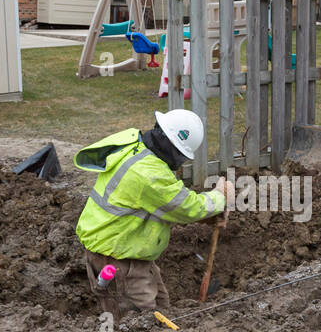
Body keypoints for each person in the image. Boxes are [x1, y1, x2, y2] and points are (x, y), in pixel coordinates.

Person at [74, 108, 230, 320]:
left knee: (163, 311)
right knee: (140, 322)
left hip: (129, 252)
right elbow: (184, 206)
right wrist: (219, 197)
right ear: (174, 150)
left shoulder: (137, 147)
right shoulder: (150, 174)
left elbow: (161, 204)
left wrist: (209, 212)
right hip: (117, 260)